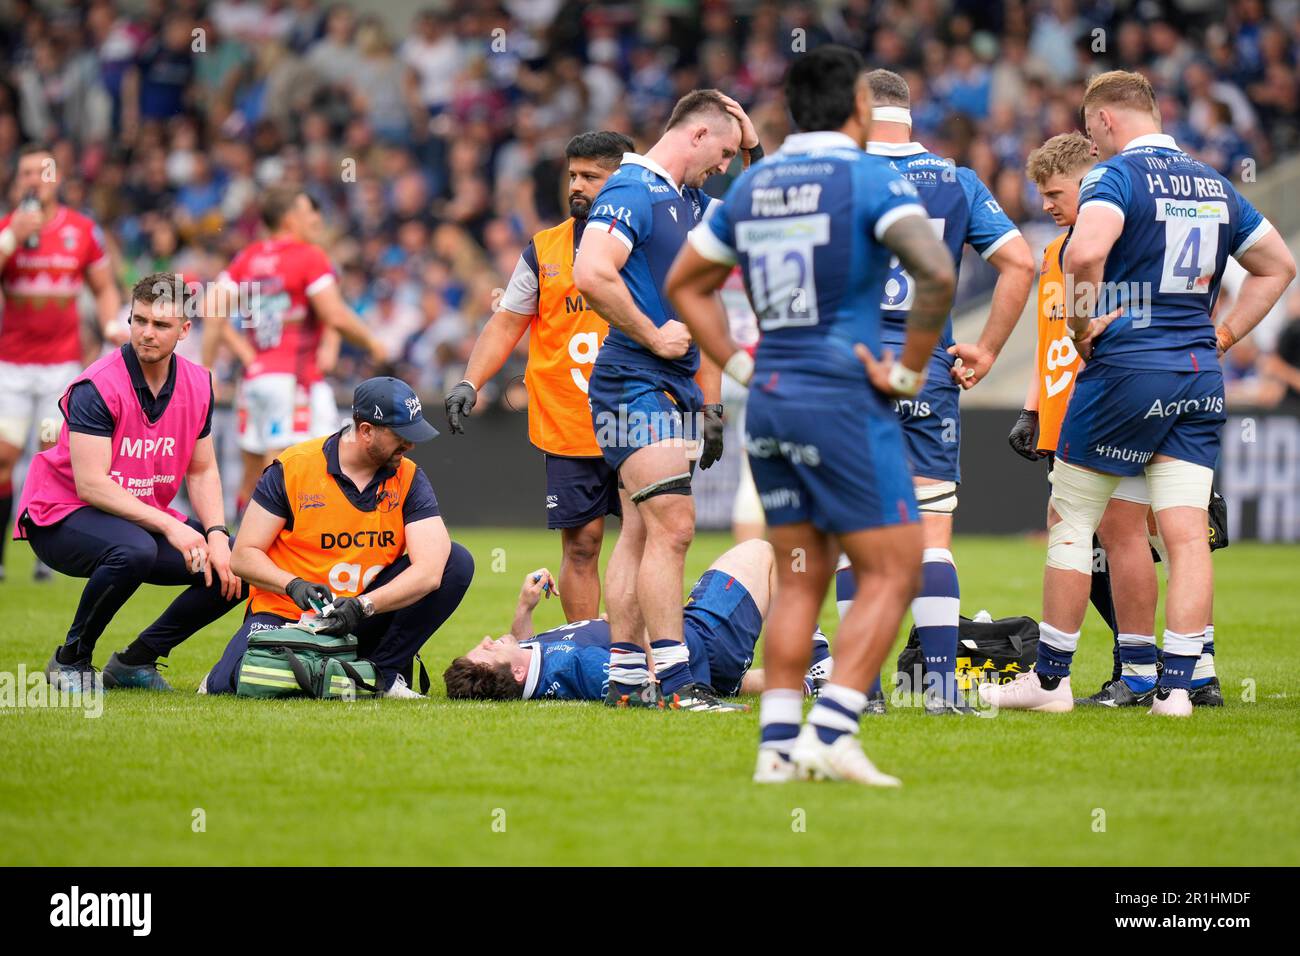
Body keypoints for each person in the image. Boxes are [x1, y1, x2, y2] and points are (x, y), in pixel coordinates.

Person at [666, 45, 956, 784]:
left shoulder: (756, 184)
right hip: (842, 397)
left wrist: (736, 365)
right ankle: (832, 732)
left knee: (798, 576)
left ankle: (774, 752)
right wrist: (910, 370)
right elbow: (939, 270)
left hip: (770, 400)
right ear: (860, 107)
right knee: (894, 567)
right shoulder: (869, 177)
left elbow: (685, 283)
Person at [982, 70, 1295, 716]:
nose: (1092, 144)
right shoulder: (1213, 182)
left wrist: (1079, 322)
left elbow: (1084, 253)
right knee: (1182, 535)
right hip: (1198, 374)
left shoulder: (1115, 177)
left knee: (1070, 522)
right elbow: (1278, 267)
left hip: (1126, 368)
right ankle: (1175, 688)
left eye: (1092, 130)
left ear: (1106, 121)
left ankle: (1050, 684)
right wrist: (1226, 334)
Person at [1012, 131, 1227, 709]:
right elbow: (1054, 331)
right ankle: (1155, 673)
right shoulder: (1060, 250)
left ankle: (1159, 669)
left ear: (1090, 180)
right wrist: (1036, 406)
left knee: (1121, 528)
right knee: (1131, 531)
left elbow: (1108, 318)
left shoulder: (1120, 233)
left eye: (1056, 193)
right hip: (1151, 382)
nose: (1048, 206)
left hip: (1125, 387)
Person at [846, 68, 1035, 714]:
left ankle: (863, 690)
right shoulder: (954, 178)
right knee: (932, 534)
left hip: (857, 369)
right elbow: (1022, 261)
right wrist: (986, 348)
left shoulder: (841, 174)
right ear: (909, 111)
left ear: (861, 108)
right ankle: (940, 689)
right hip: (927, 369)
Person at [572, 88, 761, 711]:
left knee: (639, 533)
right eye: (726, 152)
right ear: (697, 136)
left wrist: (756, 145)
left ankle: (626, 678)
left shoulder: (691, 202)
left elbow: (767, 215)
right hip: (633, 381)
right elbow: (591, 270)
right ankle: (679, 684)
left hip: (667, 384)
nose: (727, 166)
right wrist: (652, 333)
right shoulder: (631, 190)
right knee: (676, 527)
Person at [15, 273, 244, 691]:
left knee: (235, 569)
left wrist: (216, 534)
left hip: (137, 519)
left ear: (184, 330)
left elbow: (202, 468)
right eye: (139, 321)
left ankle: (136, 662)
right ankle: (71, 659)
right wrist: (172, 525)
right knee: (133, 550)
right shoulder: (98, 384)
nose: (146, 334)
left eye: (160, 325)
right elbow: (92, 486)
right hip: (61, 516)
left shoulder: (198, 383)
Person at [444, 131, 634, 622]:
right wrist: (471, 381)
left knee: (646, 540)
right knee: (582, 545)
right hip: (568, 423)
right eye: (573, 175)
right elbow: (506, 321)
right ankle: (586, 651)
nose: (577, 185)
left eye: (592, 176)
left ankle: (644, 653)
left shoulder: (650, 244)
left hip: (639, 415)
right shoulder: (542, 251)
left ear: (624, 179)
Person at [203, 377, 474, 698]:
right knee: (228, 686)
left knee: (456, 561)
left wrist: (363, 606)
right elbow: (244, 555)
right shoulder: (293, 468)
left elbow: (430, 571)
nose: (410, 445)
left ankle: (381, 675)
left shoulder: (410, 477)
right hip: (286, 612)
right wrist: (294, 585)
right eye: (401, 435)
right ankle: (337, 670)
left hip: (363, 613)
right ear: (366, 431)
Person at [442, 540, 832, 702]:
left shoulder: (536, 667)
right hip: (703, 638)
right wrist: (639, 628)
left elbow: (521, 647)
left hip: (702, 661)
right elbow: (643, 686)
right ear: (515, 674)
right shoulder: (579, 666)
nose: (490, 638)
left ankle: (808, 686)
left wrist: (524, 610)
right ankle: (817, 657)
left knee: (748, 682)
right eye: (489, 649)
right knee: (764, 552)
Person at [202, 185, 387, 514]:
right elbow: (335, 314)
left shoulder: (249, 257)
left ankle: (240, 550)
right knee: (314, 464)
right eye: (308, 212)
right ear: (290, 218)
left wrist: (216, 366)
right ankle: (289, 546)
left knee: (253, 473)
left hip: (255, 381)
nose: (315, 218)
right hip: (294, 381)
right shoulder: (309, 256)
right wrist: (373, 342)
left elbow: (211, 307)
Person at [0, 143, 125, 582]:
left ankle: (46, 551)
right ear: (18, 182)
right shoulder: (7, 229)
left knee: (51, 451)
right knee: (3, 455)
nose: (34, 180)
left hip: (61, 364)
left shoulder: (81, 230)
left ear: (56, 180)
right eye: (26, 173)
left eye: (43, 172)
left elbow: (104, 285)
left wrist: (110, 322)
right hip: (11, 363)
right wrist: (13, 235)